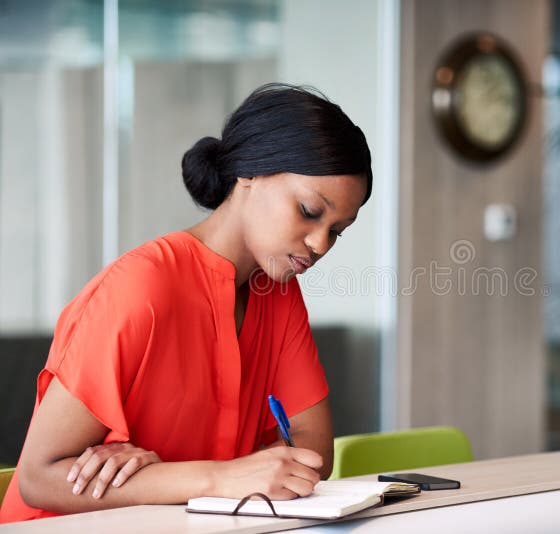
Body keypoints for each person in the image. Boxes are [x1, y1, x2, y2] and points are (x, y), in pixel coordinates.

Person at [0, 83, 372, 523]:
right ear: (249, 174)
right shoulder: (141, 288)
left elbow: (314, 450)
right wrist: (221, 477)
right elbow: (39, 478)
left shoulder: (279, 293)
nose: (319, 244)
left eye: (337, 230)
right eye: (310, 211)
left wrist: (164, 477)